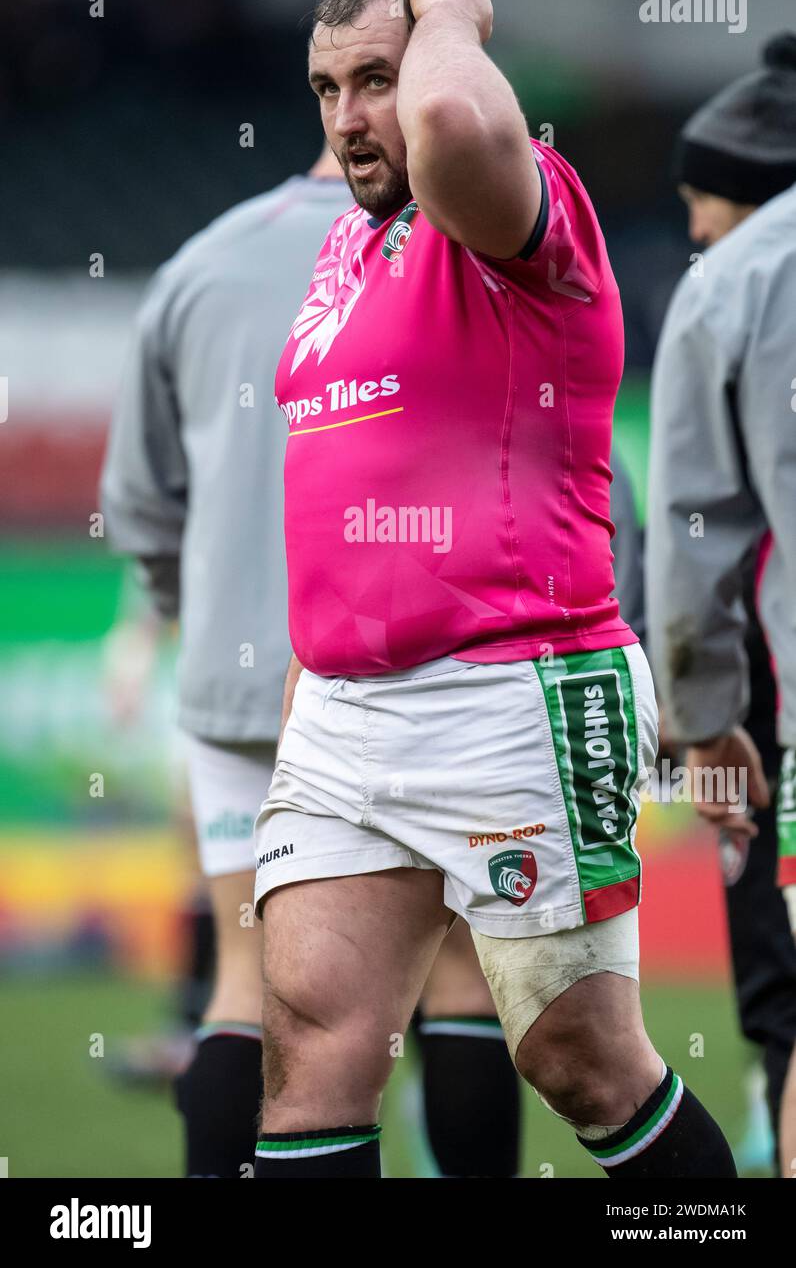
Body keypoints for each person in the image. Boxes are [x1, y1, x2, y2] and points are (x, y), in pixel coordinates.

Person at [251, 0, 736, 1180]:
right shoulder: (349, 252)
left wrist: (452, 14)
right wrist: (313, 682)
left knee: (578, 1056)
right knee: (310, 1045)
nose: (349, 119)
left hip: (513, 695)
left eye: (376, 78)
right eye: (325, 88)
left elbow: (457, 118)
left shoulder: (517, 218)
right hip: (346, 718)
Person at [102, 142, 525, 1179]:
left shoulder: (201, 265)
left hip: (236, 686)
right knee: (464, 977)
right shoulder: (467, 250)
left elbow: (140, 503)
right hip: (415, 672)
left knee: (245, 984)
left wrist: (191, 617)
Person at [646, 32, 796, 1176]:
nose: (696, 227)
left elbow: (691, 534)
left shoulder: (735, 285)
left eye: (707, 200)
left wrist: (698, 721)